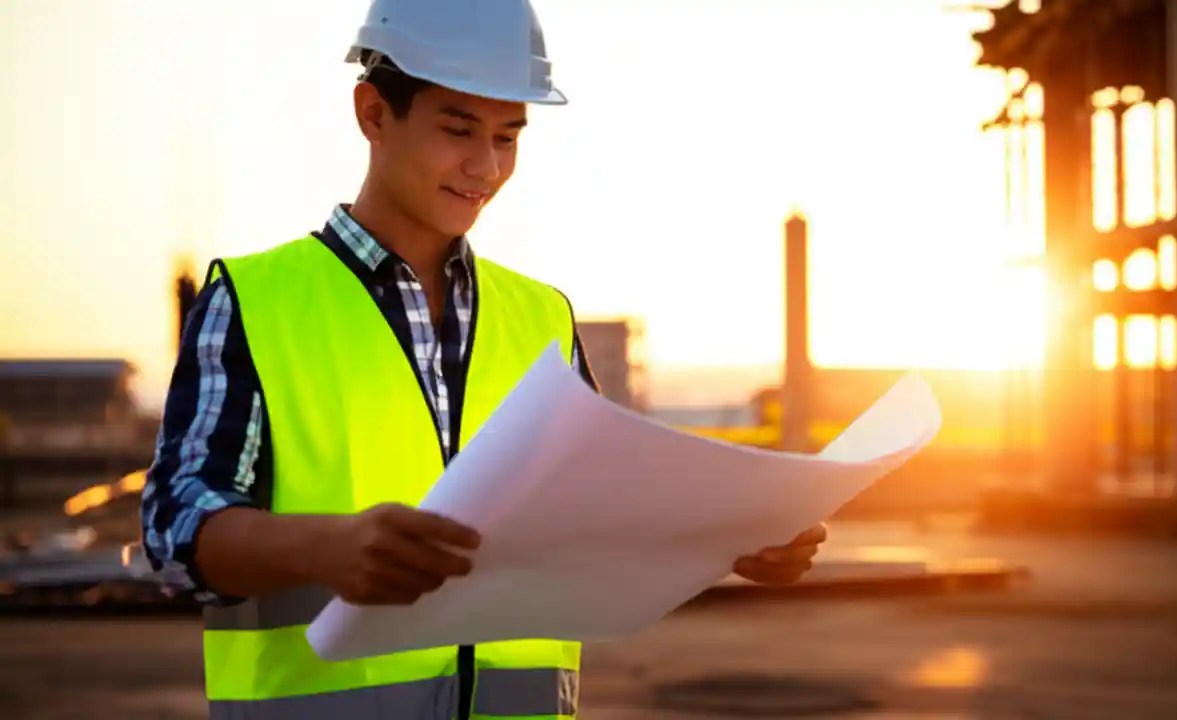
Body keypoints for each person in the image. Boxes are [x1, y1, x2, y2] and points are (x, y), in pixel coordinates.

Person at [140, 1, 828, 717]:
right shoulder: (255, 301)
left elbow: (597, 514)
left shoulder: (541, 318)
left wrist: (729, 539)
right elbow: (177, 522)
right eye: (458, 129)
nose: (487, 166)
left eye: (509, 136)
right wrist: (329, 547)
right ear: (373, 113)